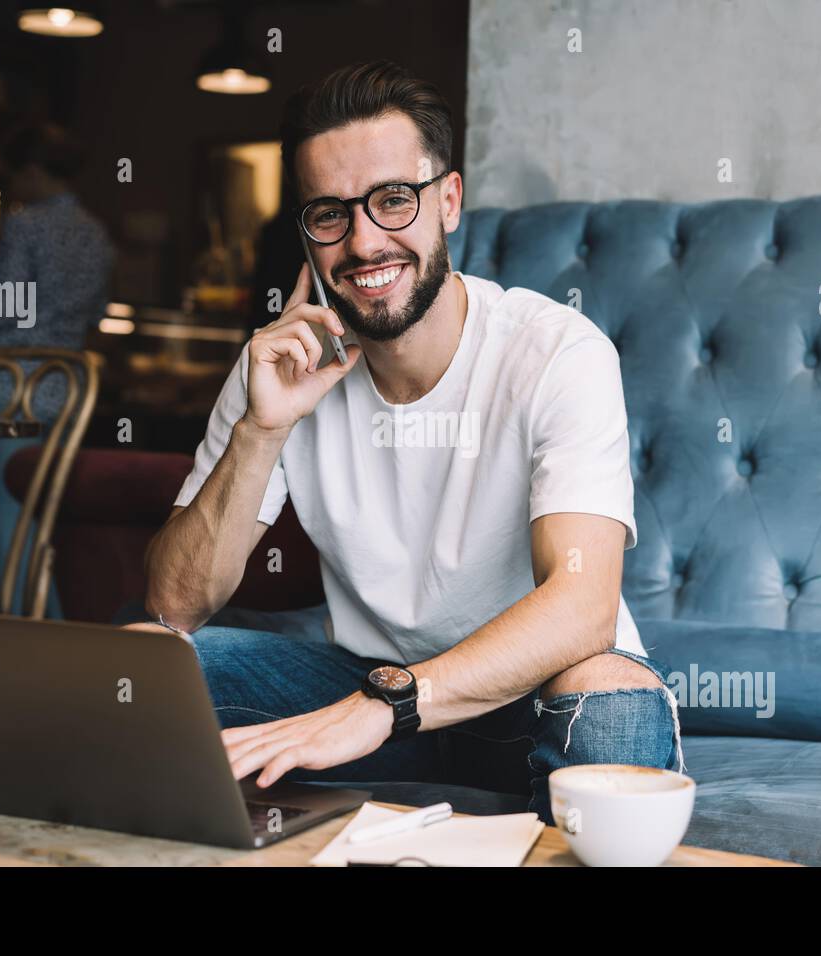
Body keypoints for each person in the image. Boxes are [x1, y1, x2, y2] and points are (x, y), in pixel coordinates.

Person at [136, 60, 682, 823]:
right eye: (329, 214)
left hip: (530, 694)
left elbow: (582, 606)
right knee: (147, 667)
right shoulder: (280, 366)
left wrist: (385, 706)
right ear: (305, 233)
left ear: (448, 201)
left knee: (607, 695)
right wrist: (264, 429)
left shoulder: (557, 351)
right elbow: (174, 606)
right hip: (369, 684)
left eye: (393, 201)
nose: (364, 242)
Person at [0, 122, 114, 619]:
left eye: (13, 175)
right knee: (51, 522)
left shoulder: (24, 223)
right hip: (70, 388)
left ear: (32, 172)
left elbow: (2, 306)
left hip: (14, 382)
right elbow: (97, 315)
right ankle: (56, 640)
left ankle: (27, 642)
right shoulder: (96, 231)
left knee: (12, 522)